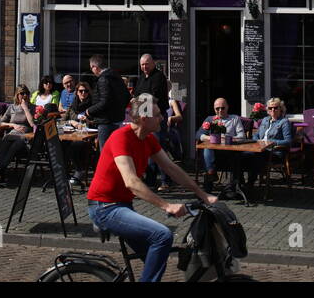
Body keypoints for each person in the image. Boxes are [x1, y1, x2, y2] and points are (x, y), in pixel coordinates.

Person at [86, 93, 218, 282]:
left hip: (122, 205)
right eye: (157, 114)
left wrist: (202, 194)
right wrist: (166, 206)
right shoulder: (120, 138)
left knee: (156, 254)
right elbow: (131, 182)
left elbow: (171, 168)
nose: (162, 118)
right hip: (105, 207)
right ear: (144, 118)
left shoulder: (148, 139)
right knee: (162, 236)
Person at [134, 54, 170, 188]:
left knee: (159, 147)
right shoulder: (141, 78)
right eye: (142, 65)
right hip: (144, 118)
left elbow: (153, 97)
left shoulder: (159, 77)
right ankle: (151, 179)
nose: (144, 67)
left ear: (153, 63)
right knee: (147, 148)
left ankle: (165, 180)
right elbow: (137, 94)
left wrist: (138, 101)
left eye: (146, 64)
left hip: (156, 117)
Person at [243, 97, 294, 191]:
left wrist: (271, 142)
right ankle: (239, 183)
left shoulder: (284, 122)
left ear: (281, 109)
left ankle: (250, 184)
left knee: (255, 156)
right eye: (270, 108)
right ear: (267, 110)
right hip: (259, 149)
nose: (273, 110)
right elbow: (256, 135)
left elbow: (288, 141)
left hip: (274, 153)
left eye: (276, 108)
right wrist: (256, 140)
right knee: (242, 155)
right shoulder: (265, 120)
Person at [0, 86, 36, 185]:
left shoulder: (32, 107)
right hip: (11, 134)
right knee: (4, 143)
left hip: (24, 136)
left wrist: (25, 108)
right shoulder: (12, 107)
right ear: (17, 95)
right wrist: (13, 125)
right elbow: (1, 123)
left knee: (16, 144)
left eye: (26, 93)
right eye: (22, 93)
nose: (24, 96)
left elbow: (32, 124)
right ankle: (0, 172)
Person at [197, 98, 245, 193]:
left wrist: (227, 138)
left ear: (227, 107)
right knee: (208, 148)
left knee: (208, 151)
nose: (220, 111)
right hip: (214, 153)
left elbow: (242, 136)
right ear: (214, 109)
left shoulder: (234, 118)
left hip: (229, 152)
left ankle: (212, 175)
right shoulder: (210, 119)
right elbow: (198, 134)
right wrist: (210, 138)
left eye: (222, 108)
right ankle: (211, 174)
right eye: (217, 108)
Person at [85, 54, 129, 150]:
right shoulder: (117, 77)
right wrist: (119, 109)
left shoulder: (103, 79)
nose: (92, 71)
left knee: (106, 153)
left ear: (95, 67)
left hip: (106, 122)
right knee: (117, 152)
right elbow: (127, 96)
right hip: (118, 120)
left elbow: (104, 102)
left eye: (91, 68)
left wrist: (89, 111)